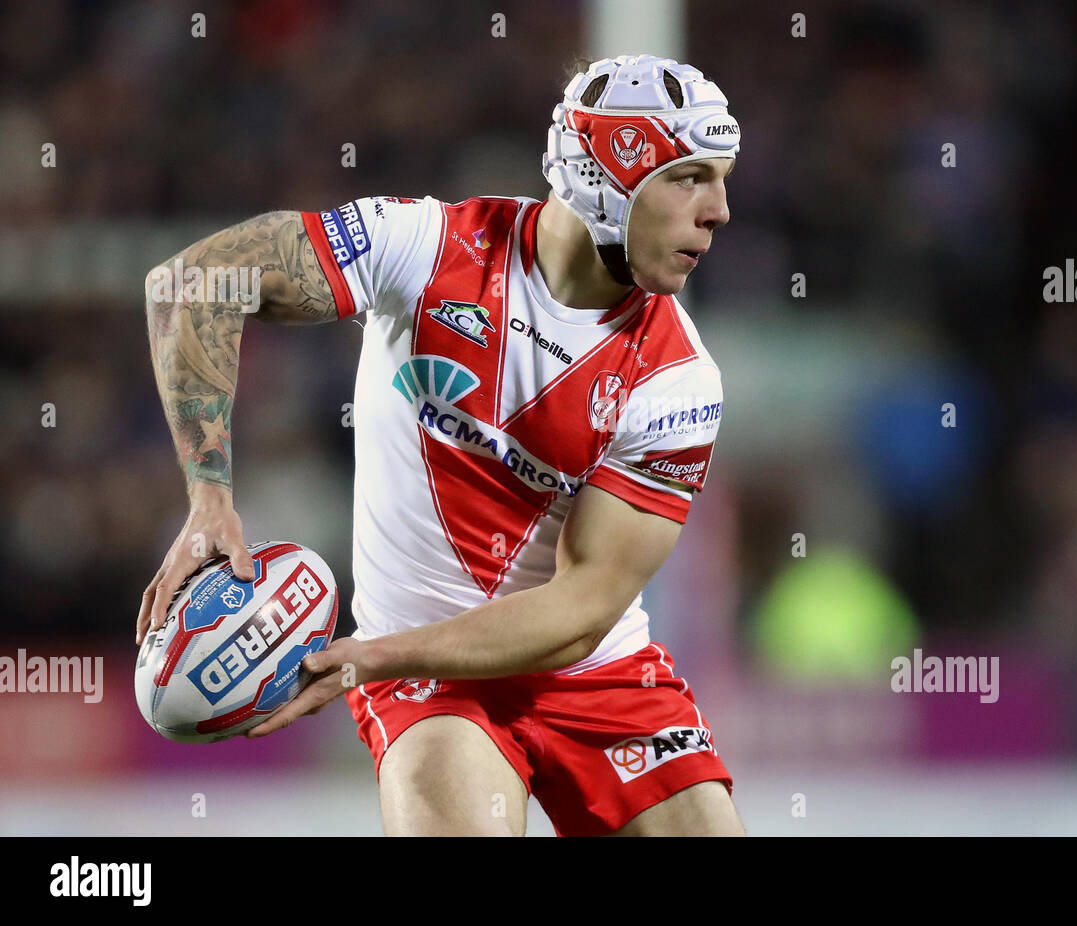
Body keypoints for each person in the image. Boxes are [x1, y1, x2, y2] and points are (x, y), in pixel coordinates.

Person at [137, 54, 744, 837]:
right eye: (690, 175)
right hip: (428, 682)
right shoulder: (424, 246)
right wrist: (208, 497)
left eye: (722, 178)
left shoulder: (678, 380)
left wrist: (367, 658)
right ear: (610, 176)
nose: (720, 210)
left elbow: (582, 612)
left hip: (595, 675)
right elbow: (196, 283)